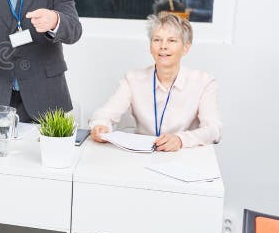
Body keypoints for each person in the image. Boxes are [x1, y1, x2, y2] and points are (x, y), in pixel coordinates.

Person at [89, 14, 222, 150]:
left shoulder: (204, 82)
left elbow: (214, 129)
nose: (163, 46)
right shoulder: (133, 79)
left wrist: (181, 140)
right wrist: (100, 125)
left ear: (185, 48)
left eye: (172, 40)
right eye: (157, 40)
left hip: (185, 155)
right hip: (142, 155)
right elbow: (104, 114)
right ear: (150, 46)